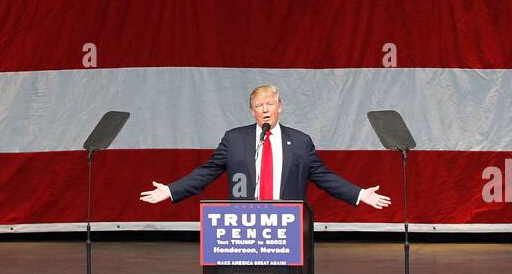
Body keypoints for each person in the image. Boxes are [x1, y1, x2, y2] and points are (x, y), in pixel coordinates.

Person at [139, 85, 391, 209]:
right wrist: (172, 190)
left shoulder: (301, 142)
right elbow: (207, 171)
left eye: (270, 104)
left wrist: (359, 194)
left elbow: (323, 177)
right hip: (245, 224)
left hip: (287, 225)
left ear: (280, 106)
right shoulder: (234, 139)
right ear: (252, 112)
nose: (265, 109)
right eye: (259, 106)